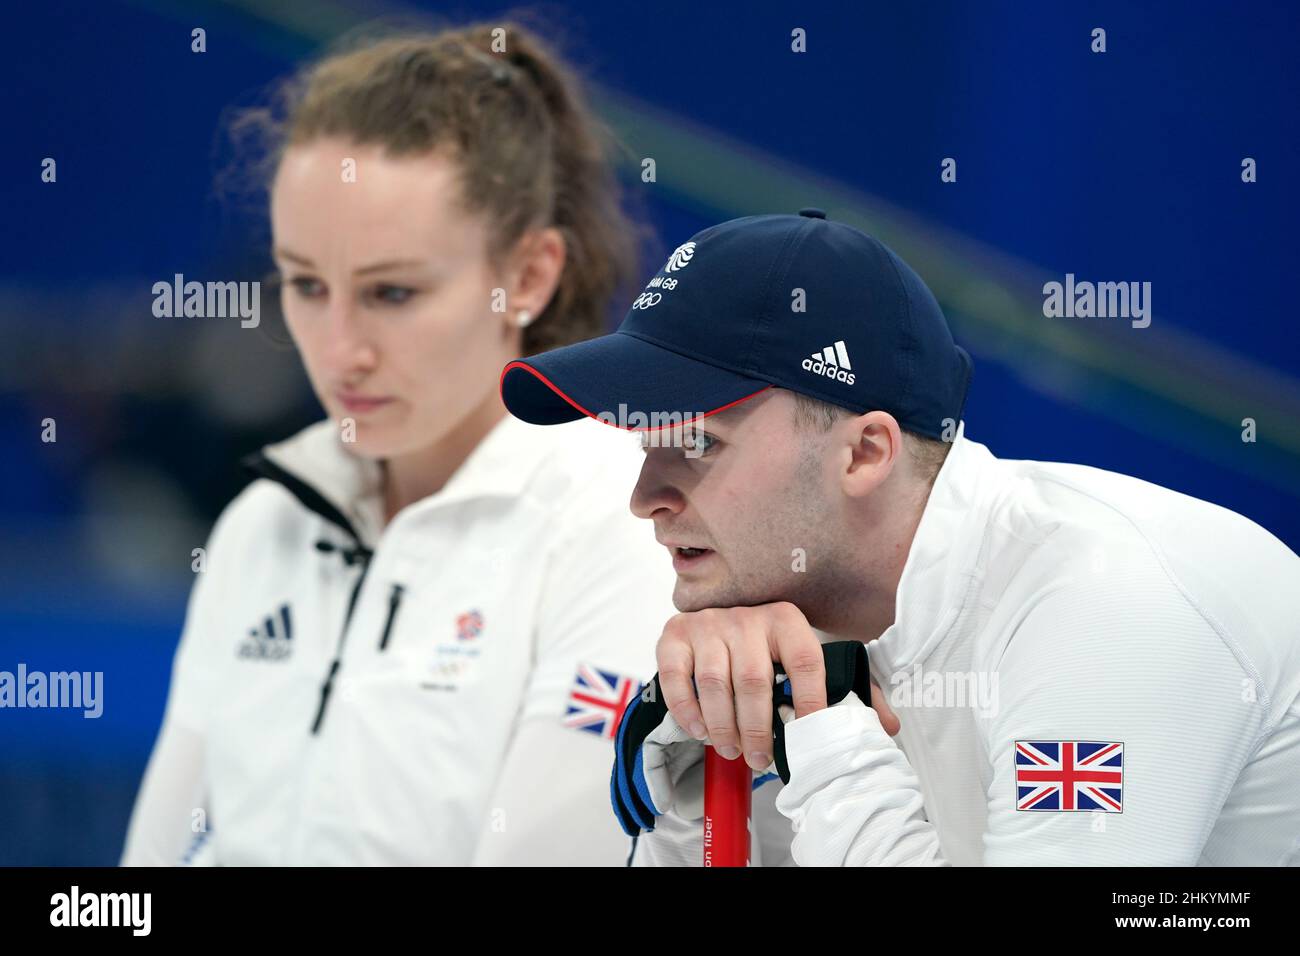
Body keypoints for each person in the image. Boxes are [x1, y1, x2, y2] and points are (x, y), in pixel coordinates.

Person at [501, 207, 1300, 866]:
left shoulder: (1111, 606)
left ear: (865, 453)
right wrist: (693, 815)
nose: (645, 499)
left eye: (699, 442)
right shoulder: (797, 618)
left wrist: (820, 730)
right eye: (647, 443)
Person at [122, 24, 674, 866]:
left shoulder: (625, 523)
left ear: (527, 276)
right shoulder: (262, 521)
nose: (341, 348)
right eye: (306, 284)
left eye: (392, 291)